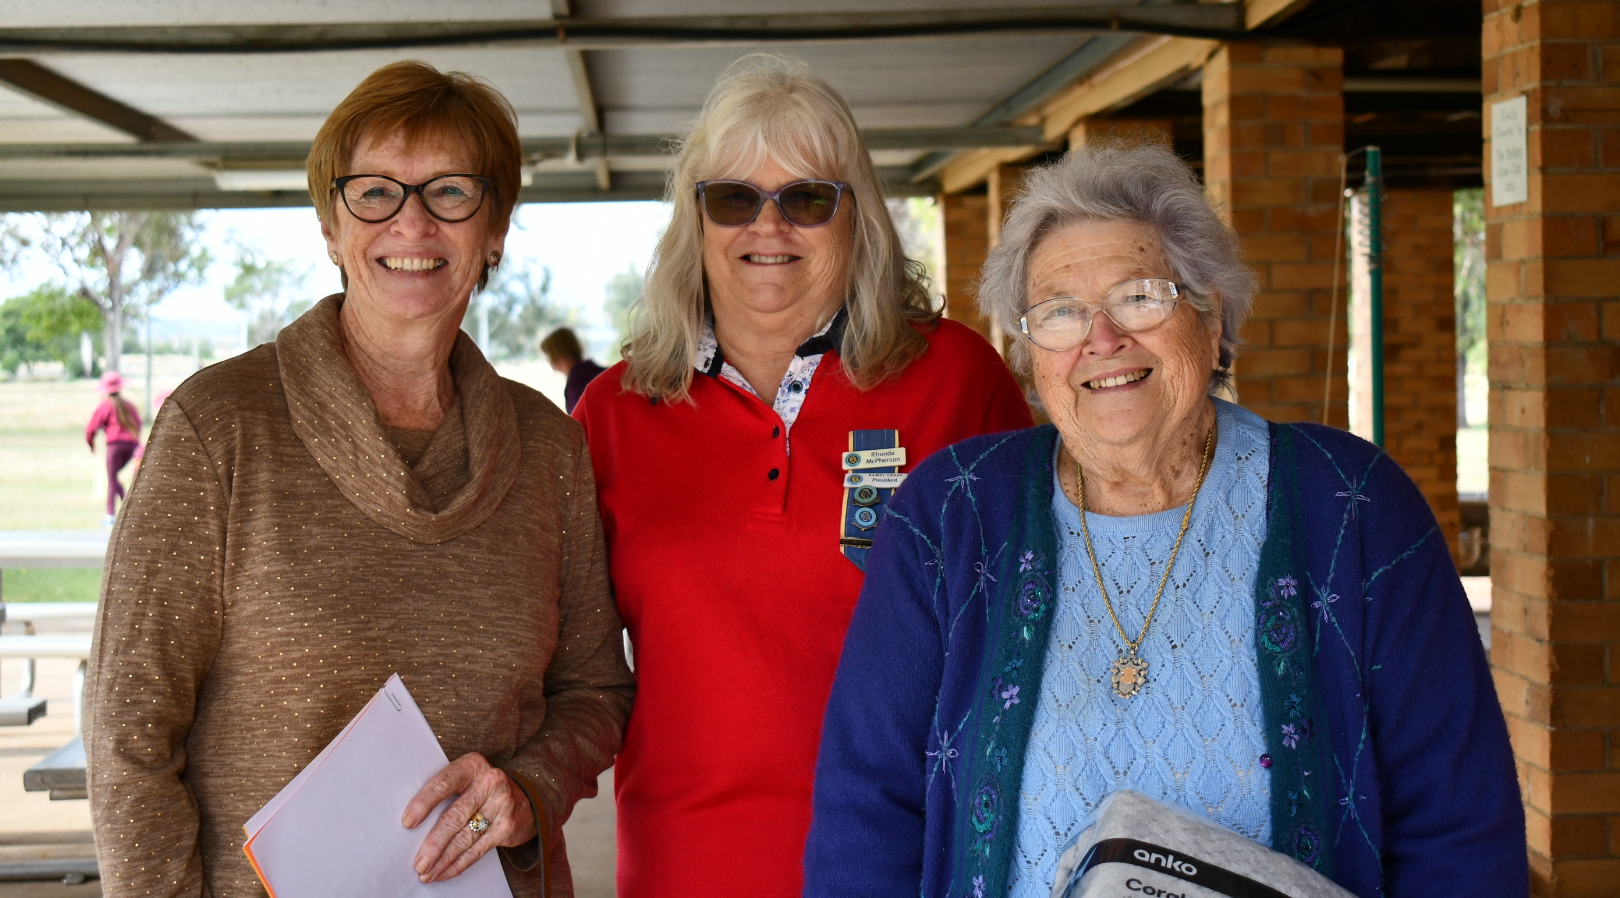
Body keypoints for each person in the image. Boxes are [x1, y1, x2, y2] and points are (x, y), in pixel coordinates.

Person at [803, 144, 1525, 898]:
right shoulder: (948, 517)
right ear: (1030, 354)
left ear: (1211, 318)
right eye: (1060, 313)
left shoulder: (1353, 508)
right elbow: (866, 817)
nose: (1102, 340)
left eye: (1141, 296)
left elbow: (1460, 826)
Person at [86, 60, 634, 898]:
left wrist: (527, 791)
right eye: (375, 192)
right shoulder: (218, 430)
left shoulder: (549, 450)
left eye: (451, 191)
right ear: (331, 228)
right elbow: (129, 730)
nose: (412, 222)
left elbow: (595, 689)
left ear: (495, 231)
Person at [573, 55, 1032, 898]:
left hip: (913, 863)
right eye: (735, 199)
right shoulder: (614, 413)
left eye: (808, 199)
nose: (769, 228)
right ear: (696, 219)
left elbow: (1035, 626)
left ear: (856, 216)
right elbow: (563, 662)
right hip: (683, 867)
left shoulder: (957, 380)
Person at [85, 370, 140, 525]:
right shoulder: (129, 405)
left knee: (111, 478)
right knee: (113, 477)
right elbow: (138, 424)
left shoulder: (105, 406)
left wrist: (91, 444)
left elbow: (91, 428)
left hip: (114, 446)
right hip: (131, 445)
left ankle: (110, 514)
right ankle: (128, 507)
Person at [540, 326, 605, 413]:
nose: (547, 360)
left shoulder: (577, 384)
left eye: (547, 354)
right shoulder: (594, 371)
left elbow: (582, 423)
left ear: (557, 353)